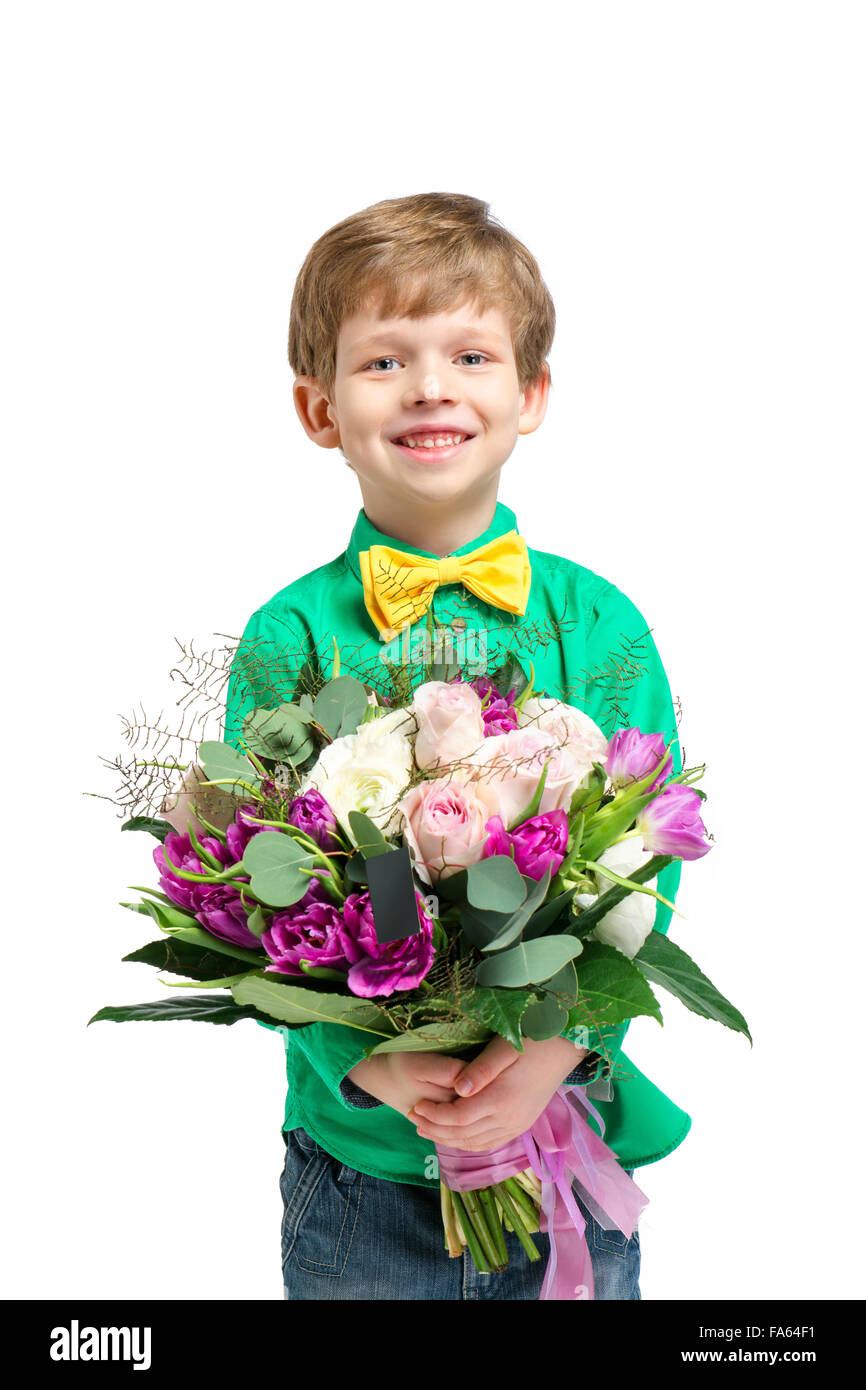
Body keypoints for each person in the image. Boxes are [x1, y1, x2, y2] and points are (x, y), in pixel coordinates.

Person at [224, 192, 690, 1300]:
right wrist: (373, 1059)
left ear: (528, 395)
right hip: (364, 1172)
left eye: (469, 355)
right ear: (317, 407)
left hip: (560, 1144)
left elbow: (645, 860)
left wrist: (546, 1055)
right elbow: (255, 883)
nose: (431, 386)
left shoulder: (595, 625)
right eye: (383, 361)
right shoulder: (288, 636)